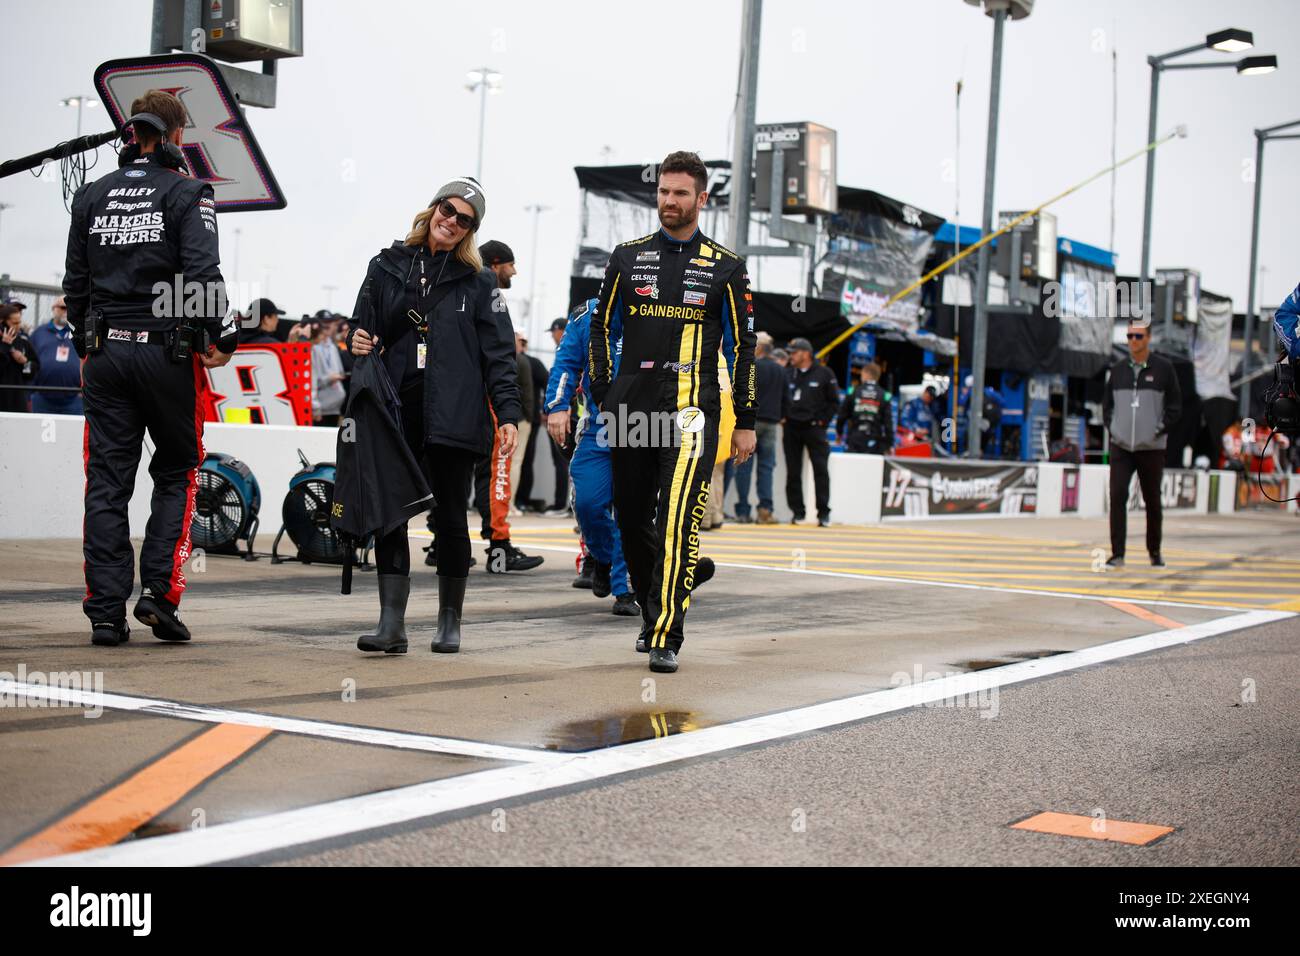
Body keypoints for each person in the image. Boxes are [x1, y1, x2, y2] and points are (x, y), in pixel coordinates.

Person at [63, 89, 236, 647]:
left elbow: (75, 286)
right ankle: (159, 594)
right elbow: (201, 273)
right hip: (166, 353)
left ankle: (105, 614)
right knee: (178, 469)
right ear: (176, 136)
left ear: (131, 133)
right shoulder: (189, 192)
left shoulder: (90, 196)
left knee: (107, 483)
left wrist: (90, 344)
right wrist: (223, 336)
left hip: (106, 354)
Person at [589, 150, 756, 673]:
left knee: (679, 521)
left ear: (701, 199)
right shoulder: (626, 255)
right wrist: (601, 390)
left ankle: (666, 634)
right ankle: (654, 606)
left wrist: (745, 419)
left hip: (692, 411)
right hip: (631, 408)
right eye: (663, 191)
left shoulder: (727, 266)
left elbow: (744, 346)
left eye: (680, 193)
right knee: (634, 519)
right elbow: (599, 327)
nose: (669, 201)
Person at [348, 177, 521, 654]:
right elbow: (360, 329)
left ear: (471, 232)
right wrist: (356, 340)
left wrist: (507, 413)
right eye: (449, 209)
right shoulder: (385, 267)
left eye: (465, 219)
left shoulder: (480, 283)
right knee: (390, 516)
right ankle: (391, 623)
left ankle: (450, 621)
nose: (452, 221)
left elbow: (500, 356)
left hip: (454, 415)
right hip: (394, 411)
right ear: (433, 208)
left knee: (449, 518)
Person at [545, 297, 638, 616]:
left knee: (634, 508)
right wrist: (558, 406)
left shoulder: (664, 305)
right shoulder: (587, 314)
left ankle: (625, 589)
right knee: (586, 502)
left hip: (648, 423)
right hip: (598, 422)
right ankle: (604, 557)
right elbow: (566, 363)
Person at [469, 240, 544, 572]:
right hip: (486, 401)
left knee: (455, 478)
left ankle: (440, 546)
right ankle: (500, 551)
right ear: (496, 265)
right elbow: (500, 357)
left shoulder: (457, 288)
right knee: (497, 472)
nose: (513, 271)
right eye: (510, 264)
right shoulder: (490, 294)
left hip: (456, 402)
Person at [1103, 320, 1182, 569]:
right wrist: (1114, 429)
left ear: (1148, 338)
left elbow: (1176, 406)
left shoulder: (1164, 369)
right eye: (1129, 336)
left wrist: (1158, 430)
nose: (1133, 341)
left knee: (1152, 499)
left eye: (1138, 336)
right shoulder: (1117, 370)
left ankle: (1154, 551)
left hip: (1152, 447)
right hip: (1121, 446)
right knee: (1117, 496)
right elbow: (1107, 406)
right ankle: (1117, 553)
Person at [782, 337, 838, 526]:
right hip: (791, 427)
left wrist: (823, 421)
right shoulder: (788, 373)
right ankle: (797, 512)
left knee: (820, 470)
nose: (791, 356)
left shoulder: (824, 373)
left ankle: (823, 513)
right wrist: (783, 415)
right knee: (793, 471)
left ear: (806, 353)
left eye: (794, 352)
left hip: (814, 428)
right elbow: (781, 397)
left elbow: (834, 402)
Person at [732, 331, 783, 523]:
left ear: (758, 347)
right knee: (767, 468)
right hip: (771, 423)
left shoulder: (752, 367)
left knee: (744, 466)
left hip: (750, 423)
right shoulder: (780, 369)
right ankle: (765, 509)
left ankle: (743, 511)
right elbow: (786, 397)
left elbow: (744, 392)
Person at [30, 297, 82, 415]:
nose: (67, 311)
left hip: (74, 399)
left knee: (72, 433)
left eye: (70, 308)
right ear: (54, 309)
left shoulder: (79, 333)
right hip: (42, 398)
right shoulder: (38, 333)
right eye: (63, 308)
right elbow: (28, 361)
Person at [838, 361, 893, 454]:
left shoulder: (853, 391)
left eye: (861, 374)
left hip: (855, 439)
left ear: (866, 374)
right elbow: (888, 424)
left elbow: (842, 415)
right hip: (875, 442)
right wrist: (889, 444)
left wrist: (839, 432)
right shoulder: (884, 395)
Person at [0, 303, 39, 413]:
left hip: (18, 399)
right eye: (14, 323)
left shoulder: (23, 341)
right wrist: (5, 346)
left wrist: (25, 362)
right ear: (3, 323)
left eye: (19, 322)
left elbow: (34, 369)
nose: (18, 326)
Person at [310, 317, 346, 425]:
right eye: (324, 326)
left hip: (335, 406)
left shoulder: (332, 347)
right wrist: (329, 379)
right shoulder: (313, 349)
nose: (328, 329)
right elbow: (312, 382)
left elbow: (340, 370)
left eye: (331, 324)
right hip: (320, 407)